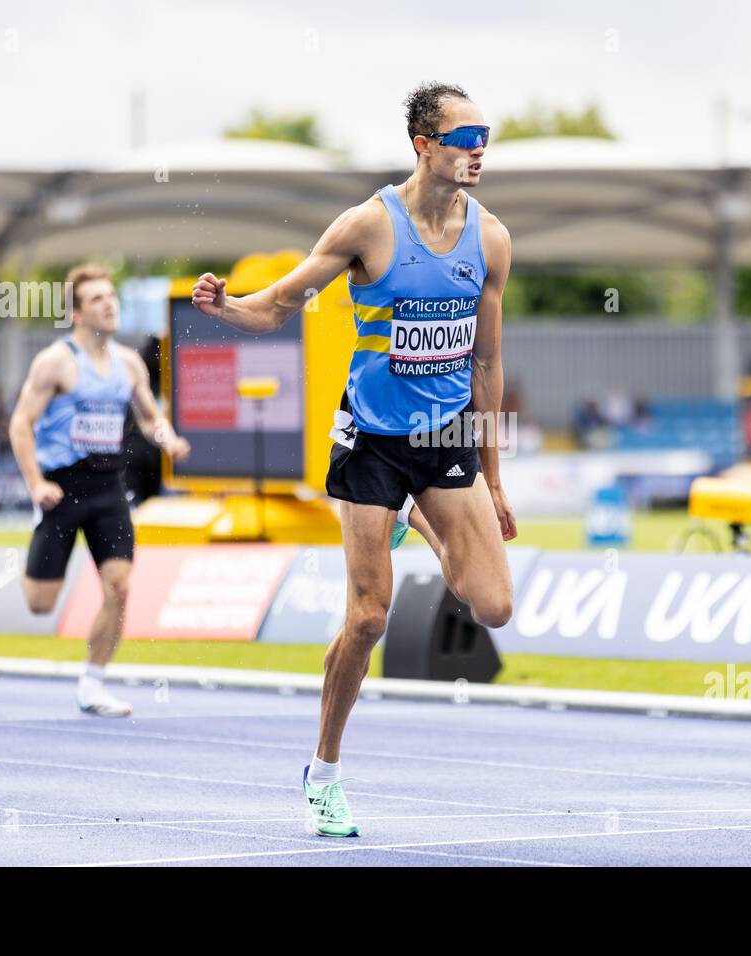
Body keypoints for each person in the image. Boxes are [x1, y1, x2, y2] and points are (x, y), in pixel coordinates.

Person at [192, 82, 516, 837]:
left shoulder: (491, 239)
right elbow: (276, 304)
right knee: (369, 616)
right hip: (369, 438)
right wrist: (223, 309)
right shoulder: (370, 226)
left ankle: (418, 517)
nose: (478, 152)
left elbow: (489, 362)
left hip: (443, 442)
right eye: (464, 139)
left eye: (485, 138)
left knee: (492, 604)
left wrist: (494, 478)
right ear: (423, 145)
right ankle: (326, 770)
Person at [9, 264, 191, 717]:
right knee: (39, 603)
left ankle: (93, 682)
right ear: (75, 312)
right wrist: (36, 483)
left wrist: (168, 439)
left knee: (120, 585)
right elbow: (20, 423)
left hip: (110, 486)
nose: (109, 304)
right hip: (62, 489)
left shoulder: (129, 364)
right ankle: (37, 551)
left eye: (112, 296)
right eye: (96, 299)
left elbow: (150, 417)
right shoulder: (56, 362)